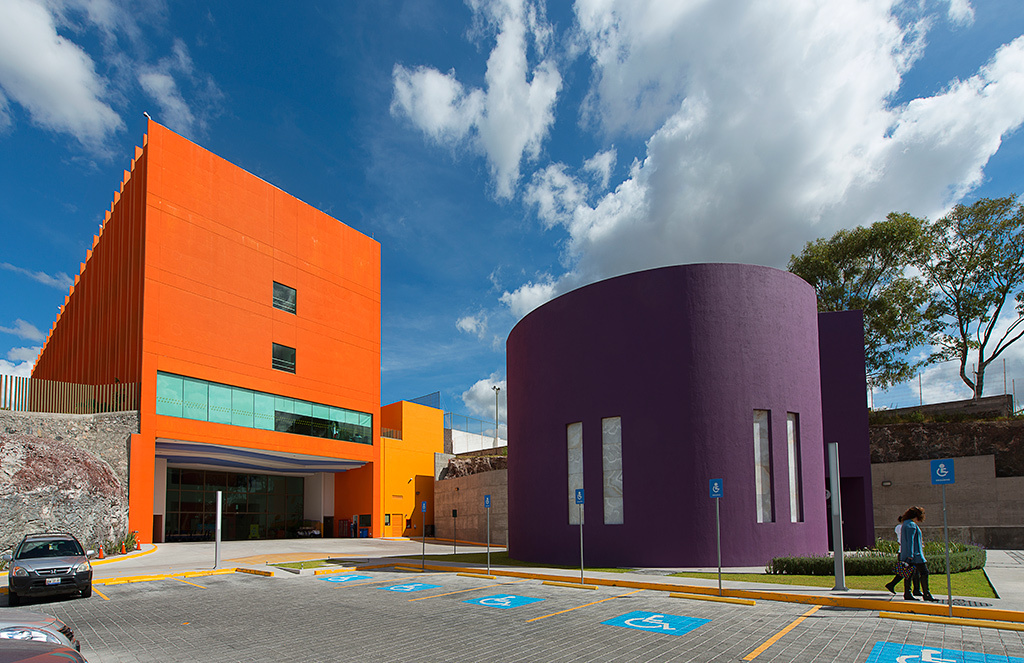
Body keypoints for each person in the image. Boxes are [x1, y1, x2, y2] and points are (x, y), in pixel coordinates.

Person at [898, 506, 935, 602]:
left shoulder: (905, 524)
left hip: (908, 554)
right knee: (924, 572)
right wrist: (910, 555)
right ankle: (926, 593)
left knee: (908, 574)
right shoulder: (911, 525)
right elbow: (910, 541)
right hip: (916, 555)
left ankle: (907, 593)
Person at [885, 515, 921, 596]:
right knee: (907, 572)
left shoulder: (899, 527)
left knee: (912, 572)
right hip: (905, 551)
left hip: (903, 551)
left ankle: (916, 589)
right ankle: (892, 584)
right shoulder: (902, 527)